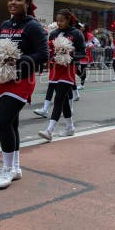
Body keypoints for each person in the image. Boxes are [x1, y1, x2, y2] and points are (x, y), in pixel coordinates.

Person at [0, 0, 48, 189]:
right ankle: (15, 168)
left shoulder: (33, 26)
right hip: (3, 79)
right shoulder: (5, 24)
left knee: (2, 122)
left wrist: (19, 60)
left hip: (22, 80)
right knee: (11, 124)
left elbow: (43, 55)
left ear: (27, 3)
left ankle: (7, 169)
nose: (13, 3)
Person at [38, 9, 86, 142]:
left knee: (58, 98)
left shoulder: (76, 33)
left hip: (68, 69)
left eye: (62, 20)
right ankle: (70, 127)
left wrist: (68, 54)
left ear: (68, 20)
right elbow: (49, 50)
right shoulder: (54, 33)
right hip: (55, 69)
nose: (59, 23)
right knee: (64, 101)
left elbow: (82, 53)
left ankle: (49, 130)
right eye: (57, 20)